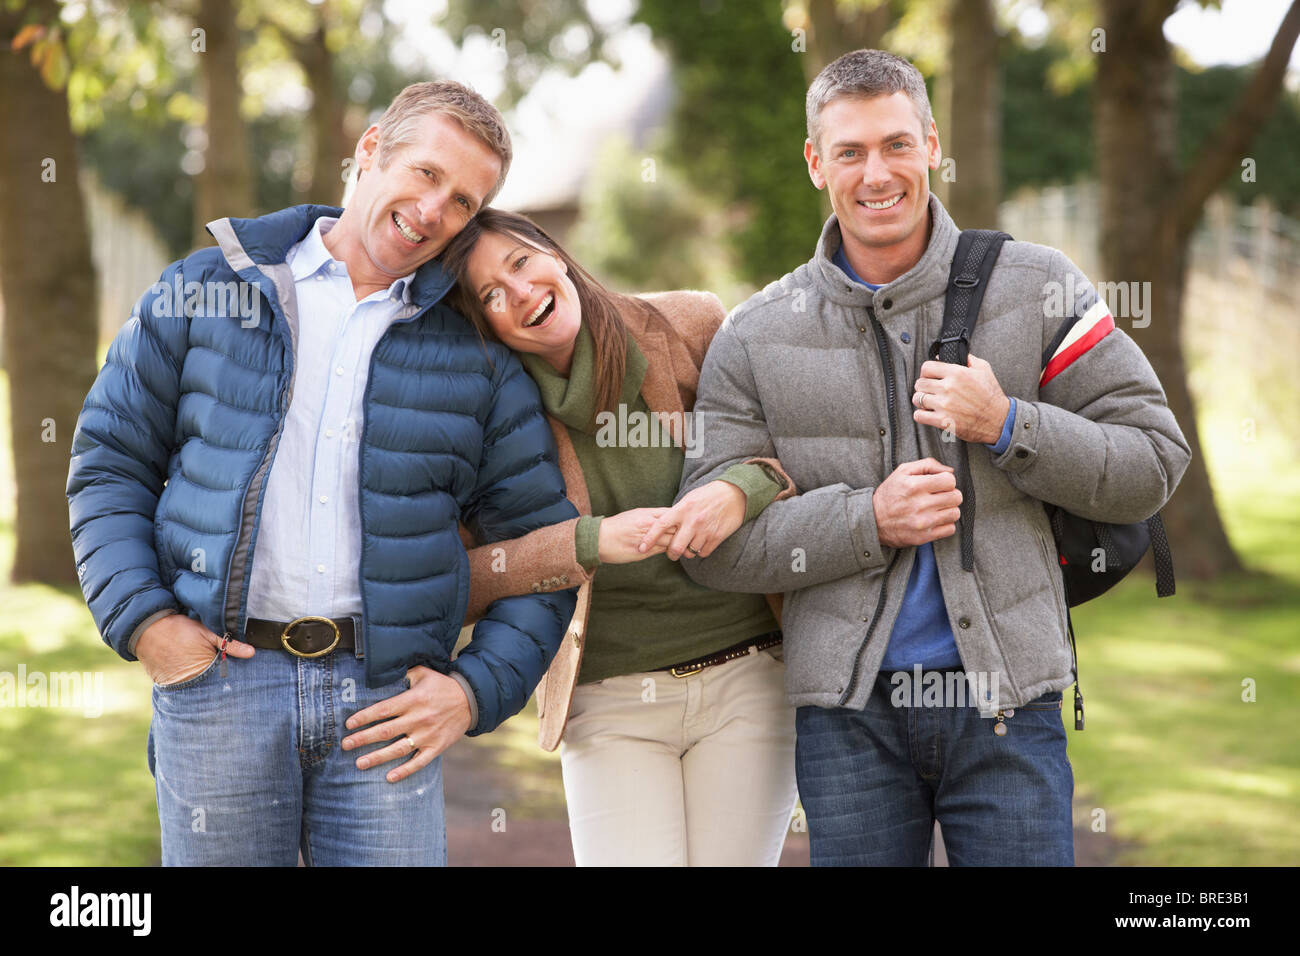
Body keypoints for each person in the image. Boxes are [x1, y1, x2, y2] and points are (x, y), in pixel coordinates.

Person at [667, 49, 1191, 866]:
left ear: (933, 145)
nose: (877, 173)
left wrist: (1009, 422)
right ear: (816, 163)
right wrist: (868, 519)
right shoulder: (755, 333)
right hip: (847, 719)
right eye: (850, 151)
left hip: (1009, 707)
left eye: (896, 144)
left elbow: (1154, 462)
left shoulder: (1040, 286)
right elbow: (712, 547)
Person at [65, 81, 578, 866]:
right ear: (370, 148)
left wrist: (474, 692)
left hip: (387, 705)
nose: (436, 210)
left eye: (465, 202)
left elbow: (546, 547)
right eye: (427, 174)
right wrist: (148, 625)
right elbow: (108, 461)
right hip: (219, 691)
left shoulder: (476, 356)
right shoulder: (208, 287)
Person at [438, 208, 800, 866]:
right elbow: (466, 578)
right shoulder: (487, 414)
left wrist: (737, 492)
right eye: (491, 294)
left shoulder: (689, 326)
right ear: (480, 322)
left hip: (750, 677)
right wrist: (586, 543)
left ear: (553, 253)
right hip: (608, 701)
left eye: (521, 263)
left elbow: (790, 456)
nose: (520, 292)